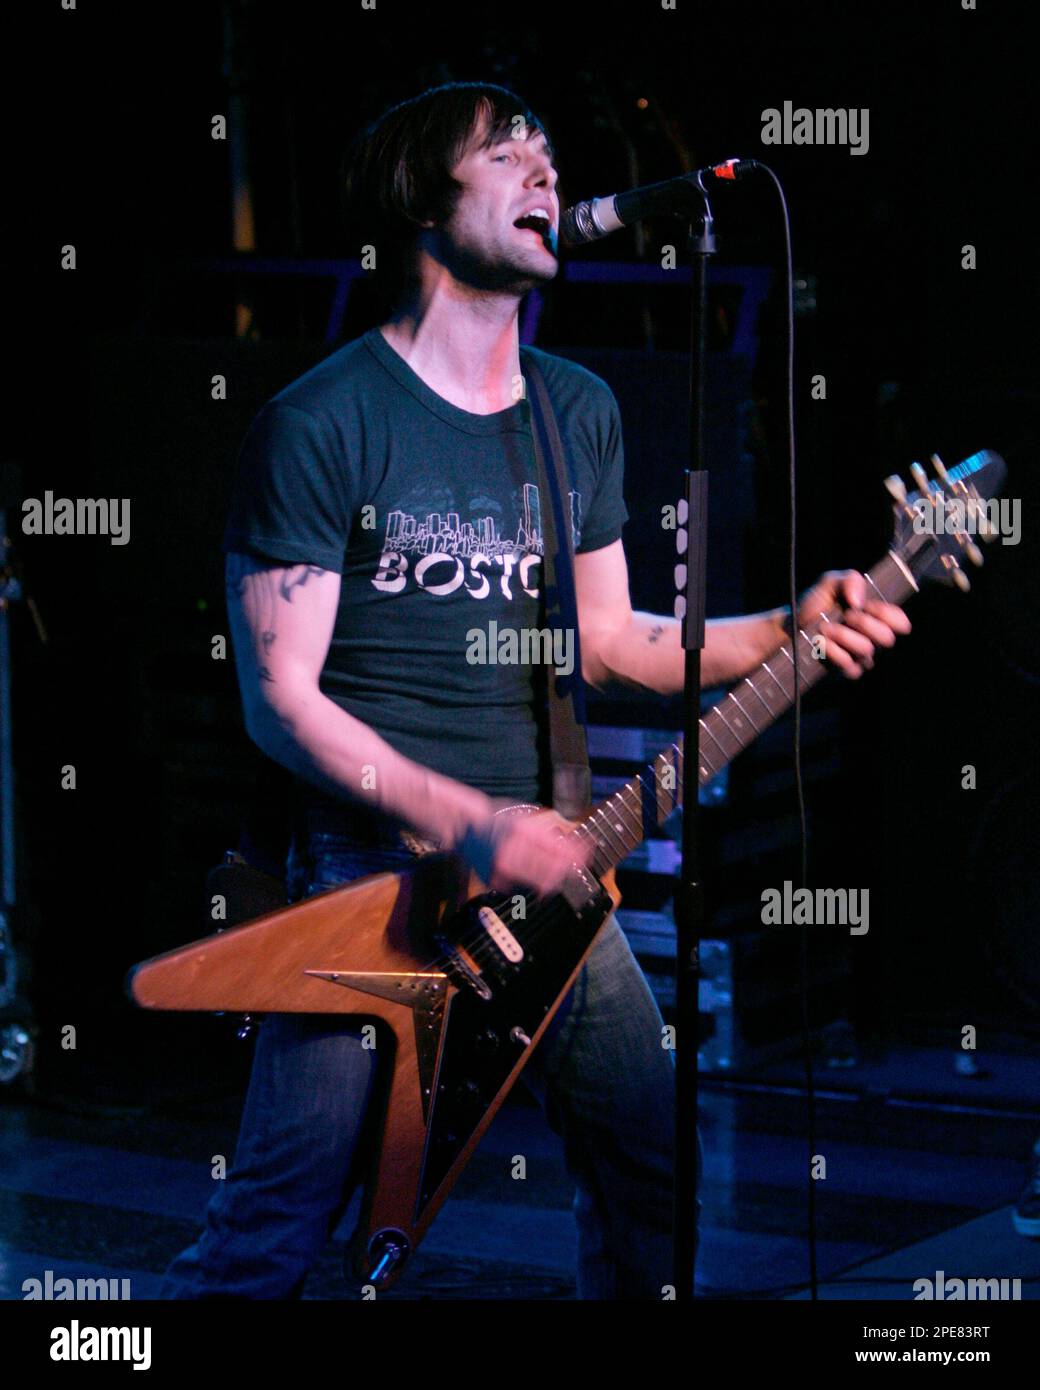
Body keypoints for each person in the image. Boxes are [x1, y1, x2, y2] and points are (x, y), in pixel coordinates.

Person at [160, 81, 910, 1301]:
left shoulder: (579, 413)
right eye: (503, 150)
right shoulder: (321, 422)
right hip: (368, 878)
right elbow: (280, 701)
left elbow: (615, 641)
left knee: (644, 1162)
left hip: (551, 872)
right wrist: (475, 826)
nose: (545, 172)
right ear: (421, 193)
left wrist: (789, 619)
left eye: (549, 152)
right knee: (272, 1235)